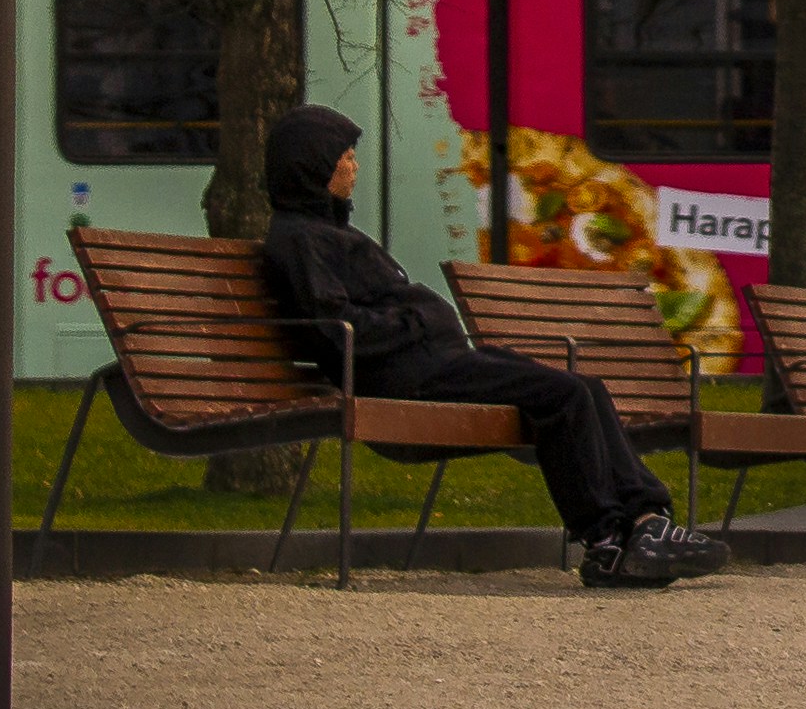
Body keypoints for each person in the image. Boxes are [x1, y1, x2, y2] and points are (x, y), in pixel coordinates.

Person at [251, 104, 724, 590]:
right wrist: (419, 318)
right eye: (343, 157)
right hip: (408, 377)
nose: (353, 167)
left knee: (585, 387)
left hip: (437, 362)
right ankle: (606, 540)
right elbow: (335, 328)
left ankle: (646, 520)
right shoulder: (303, 240)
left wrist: (420, 320)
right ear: (313, 166)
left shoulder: (330, 234)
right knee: (562, 396)